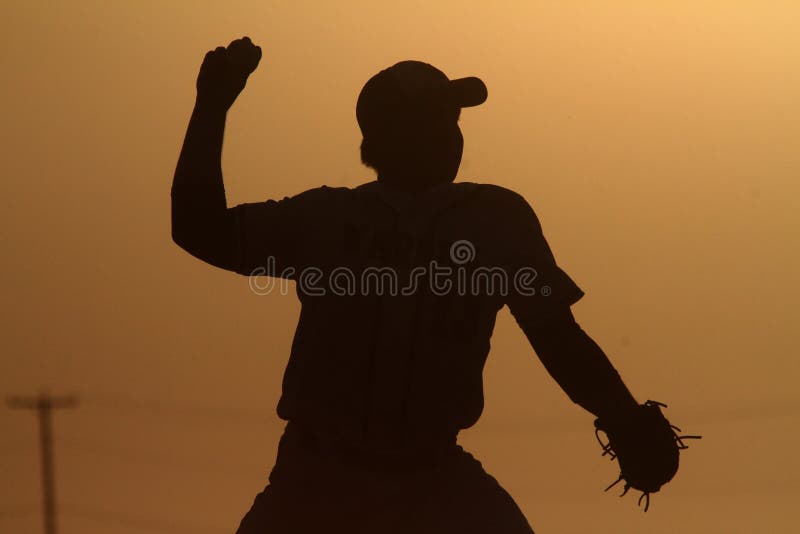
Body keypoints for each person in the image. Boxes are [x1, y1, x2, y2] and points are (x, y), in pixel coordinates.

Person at [172, 37, 641, 534]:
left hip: (432, 481)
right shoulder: (331, 219)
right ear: (398, 137)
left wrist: (624, 418)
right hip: (317, 484)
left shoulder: (494, 220)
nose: (454, 137)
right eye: (441, 122)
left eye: (452, 124)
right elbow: (198, 229)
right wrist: (211, 108)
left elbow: (557, 338)